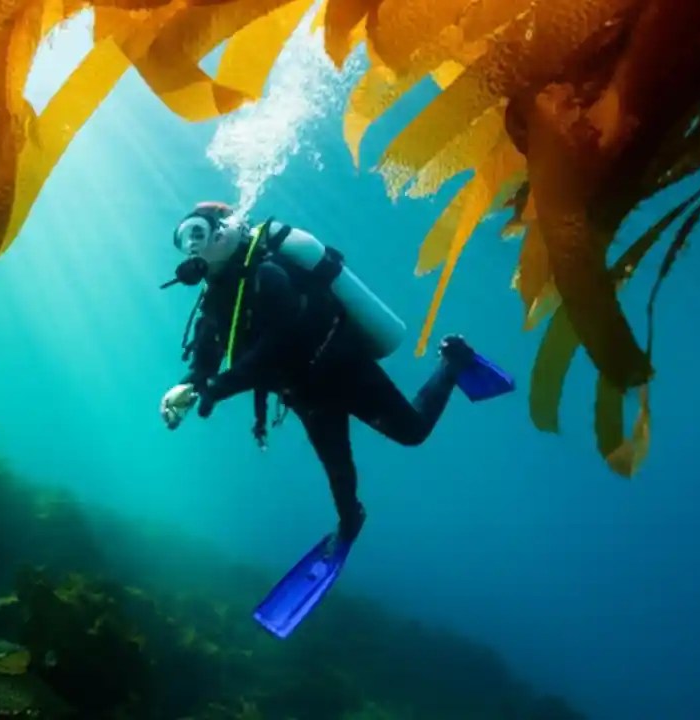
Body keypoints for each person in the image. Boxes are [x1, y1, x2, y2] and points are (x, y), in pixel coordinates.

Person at [158, 201, 510, 548]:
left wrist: (218, 389)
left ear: (221, 231)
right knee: (337, 467)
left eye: (198, 234)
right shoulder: (214, 299)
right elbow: (207, 356)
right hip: (304, 393)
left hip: (341, 366)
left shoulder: (268, 273)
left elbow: (279, 342)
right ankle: (350, 520)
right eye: (184, 240)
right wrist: (188, 387)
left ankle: (452, 362)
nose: (192, 246)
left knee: (412, 432)